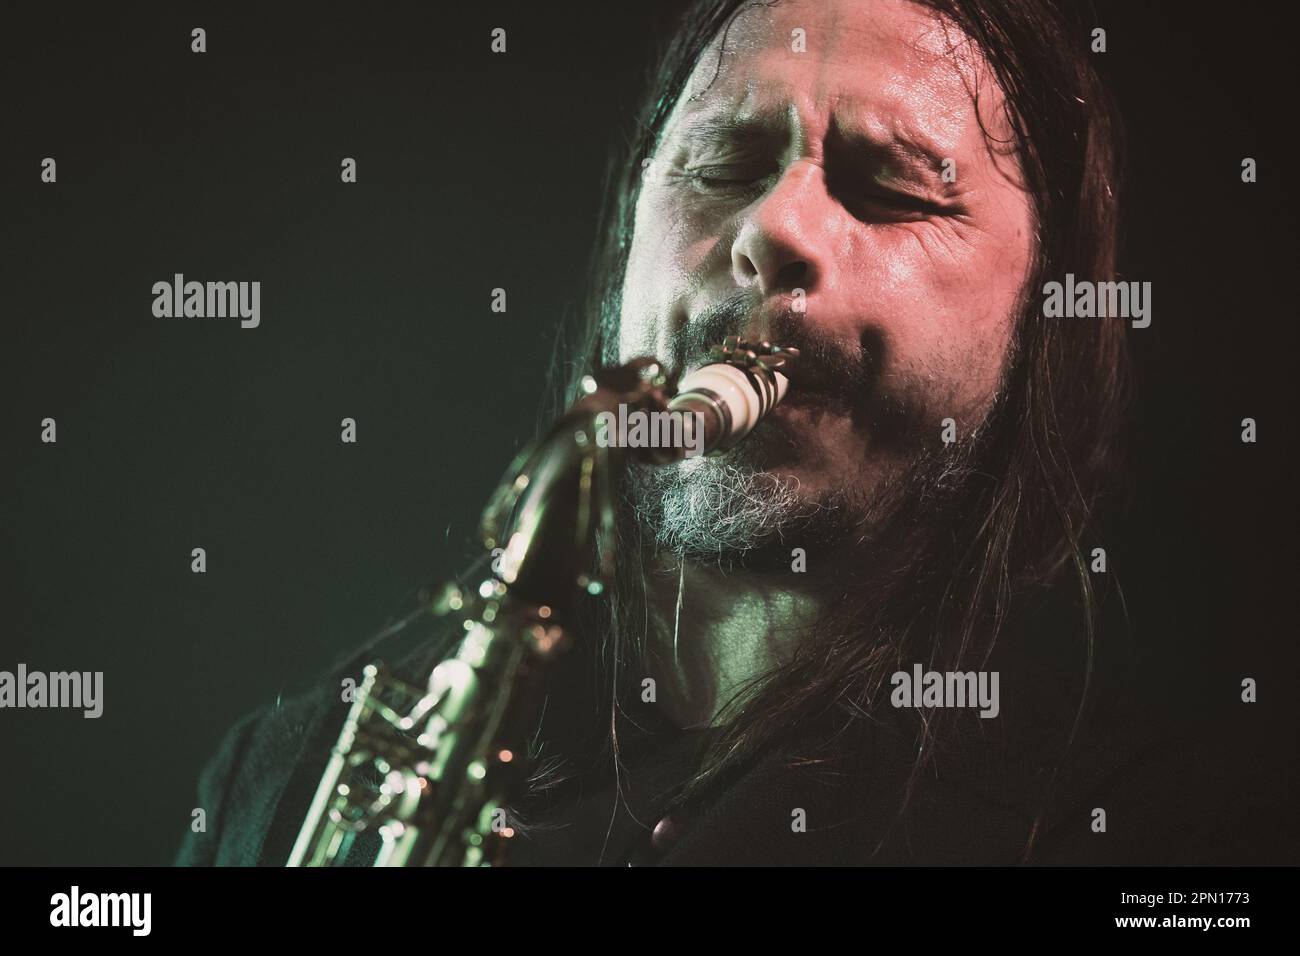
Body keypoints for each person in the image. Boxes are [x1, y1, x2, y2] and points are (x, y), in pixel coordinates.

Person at [175, 0, 1290, 867]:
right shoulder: (280, 780)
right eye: (721, 166)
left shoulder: (1174, 837)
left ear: (1044, 324)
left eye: (892, 188)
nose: (773, 228)